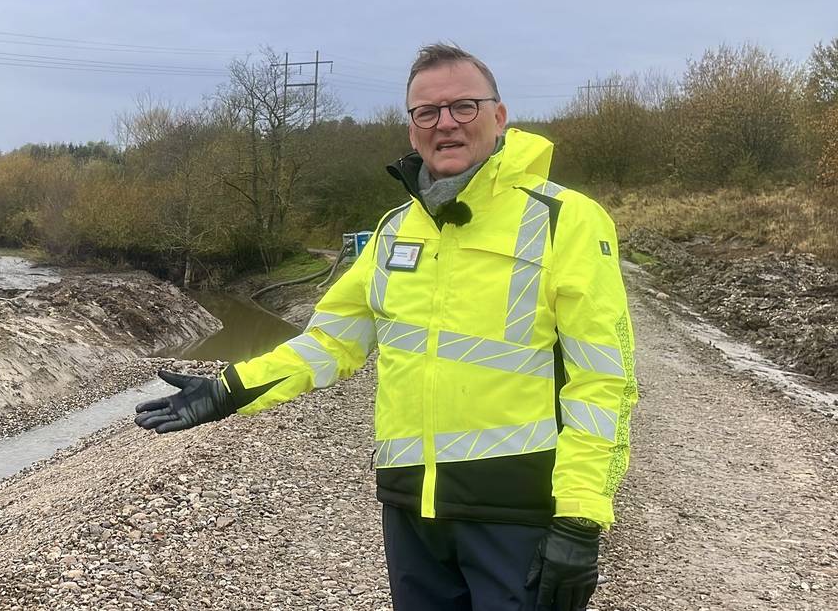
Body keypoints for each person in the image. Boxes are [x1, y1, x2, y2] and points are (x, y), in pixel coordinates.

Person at [135, 43, 637, 611]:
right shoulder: (395, 230)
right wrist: (228, 390)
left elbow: (603, 381)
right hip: (409, 510)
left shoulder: (564, 220)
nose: (445, 123)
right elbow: (331, 342)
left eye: (464, 106)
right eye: (427, 112)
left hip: (517, 511)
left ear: (499, 117)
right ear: (411, 130)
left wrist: (579, 516)